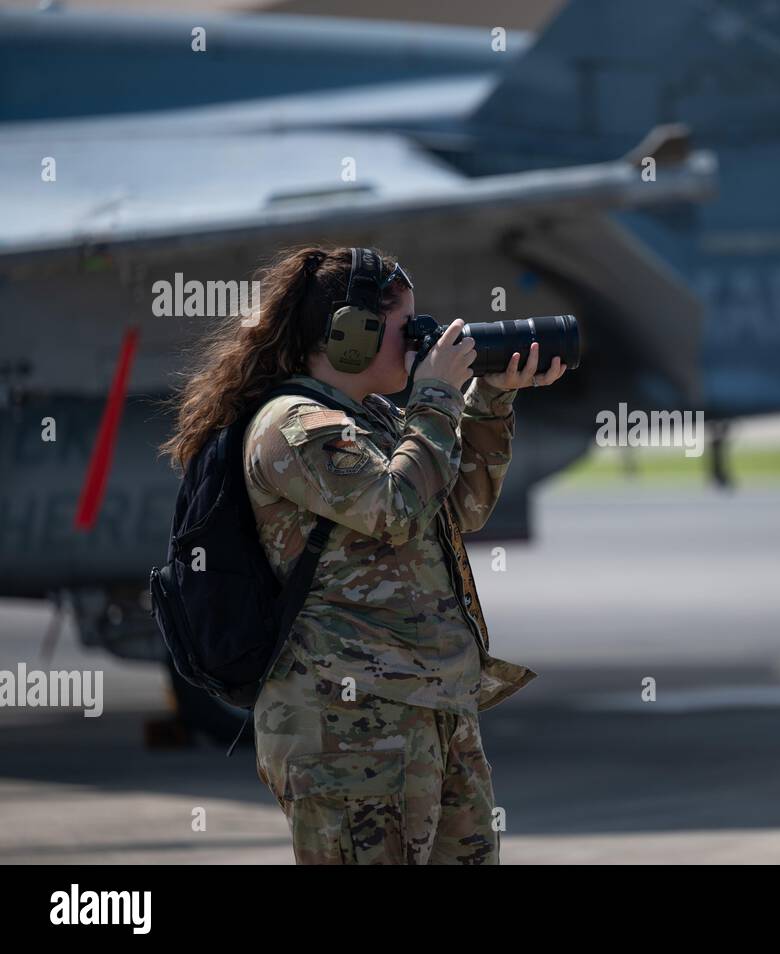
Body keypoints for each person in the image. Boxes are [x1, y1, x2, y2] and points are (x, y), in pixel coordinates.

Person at [160, 245, 565, 863]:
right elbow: (393, 507)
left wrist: (490, 401)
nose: (422, 341)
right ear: (350, 335)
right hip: (349, 728)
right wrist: (435, 397)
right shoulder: (294, 427)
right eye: (407, 327)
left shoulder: (369, 418)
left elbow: (455, 513)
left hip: (428, 708)